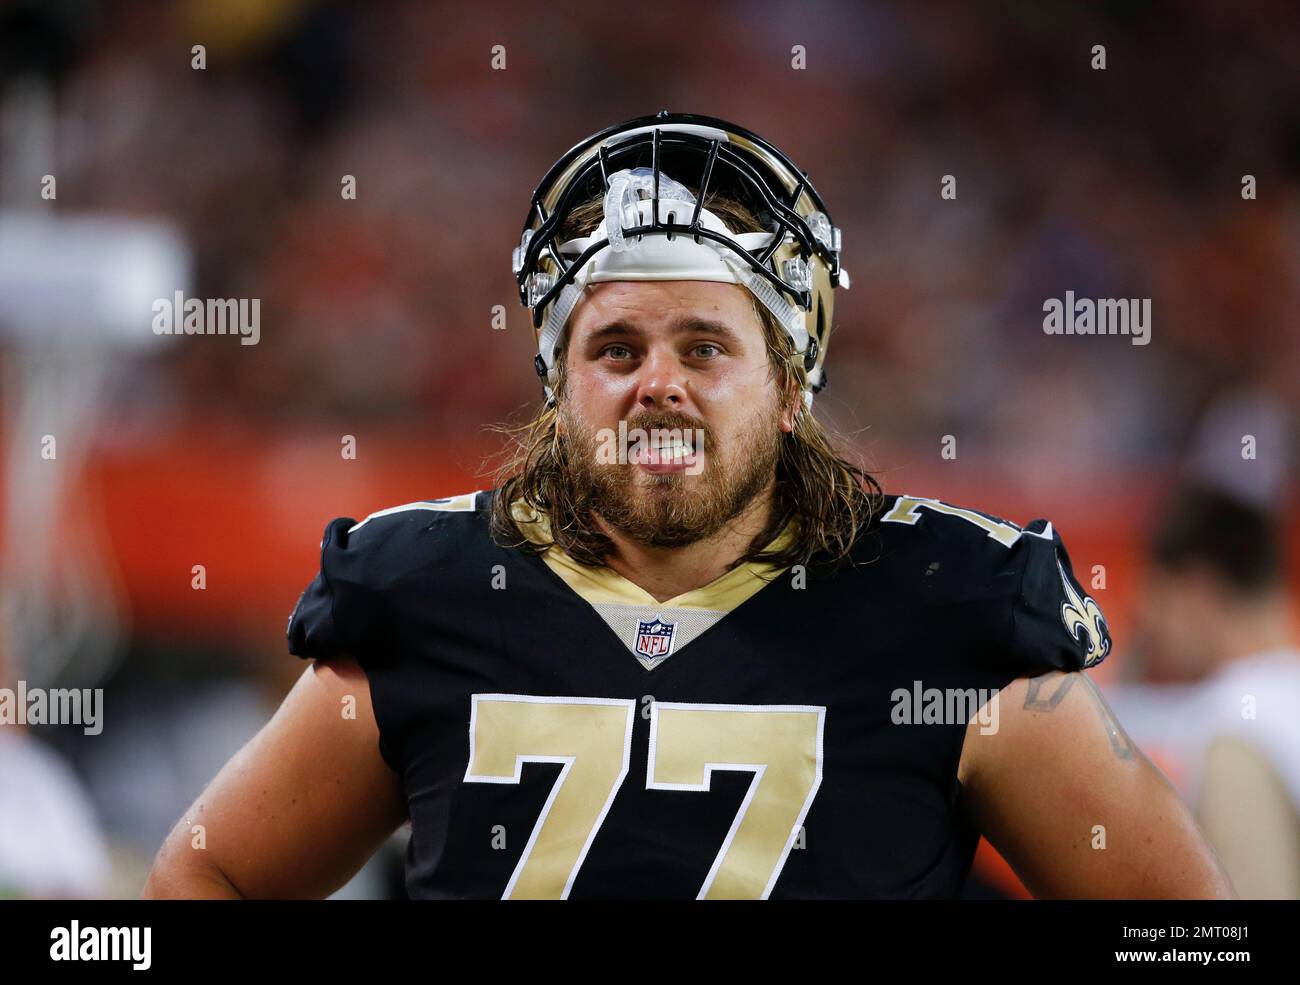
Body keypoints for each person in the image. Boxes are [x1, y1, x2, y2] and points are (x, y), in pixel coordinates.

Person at [144, 112, 1232, 899]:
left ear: (792, 386)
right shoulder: (426, 590)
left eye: (703, 346)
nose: (654, 380)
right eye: (614, 348)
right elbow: (211, 876)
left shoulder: (948, 606)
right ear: (558, 388)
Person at [1109, 484, 1300, 898]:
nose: (1149, 630)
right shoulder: (1278, 703)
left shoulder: (1238, 730)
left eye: (1154, 603)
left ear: (1194, 590)